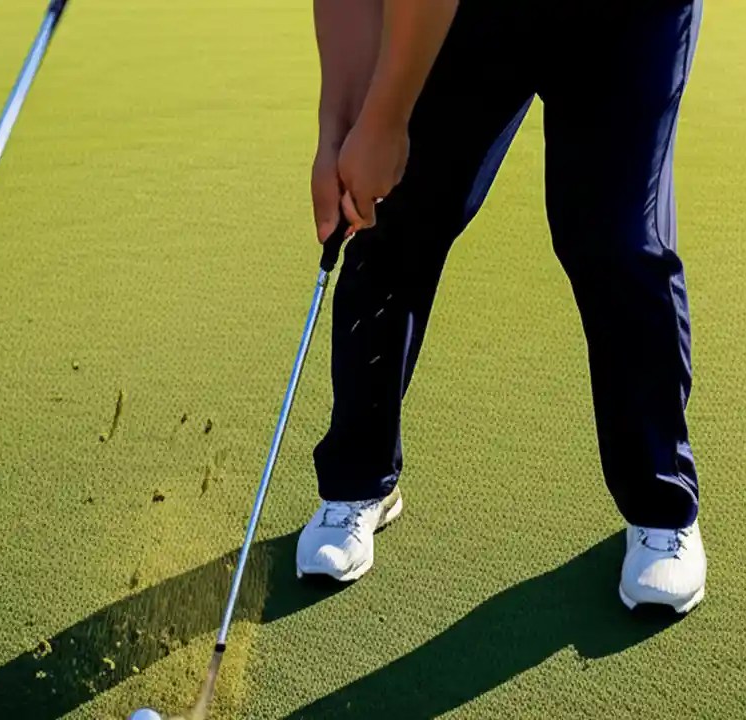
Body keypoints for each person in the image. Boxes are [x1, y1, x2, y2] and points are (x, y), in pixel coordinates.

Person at [294, 0, 708, 613]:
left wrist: (384, 122)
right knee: (396, 219)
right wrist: (341, 129)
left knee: (614, 239)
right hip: (480, 14)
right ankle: (357, 481)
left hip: (627, 17)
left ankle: (662, 507)